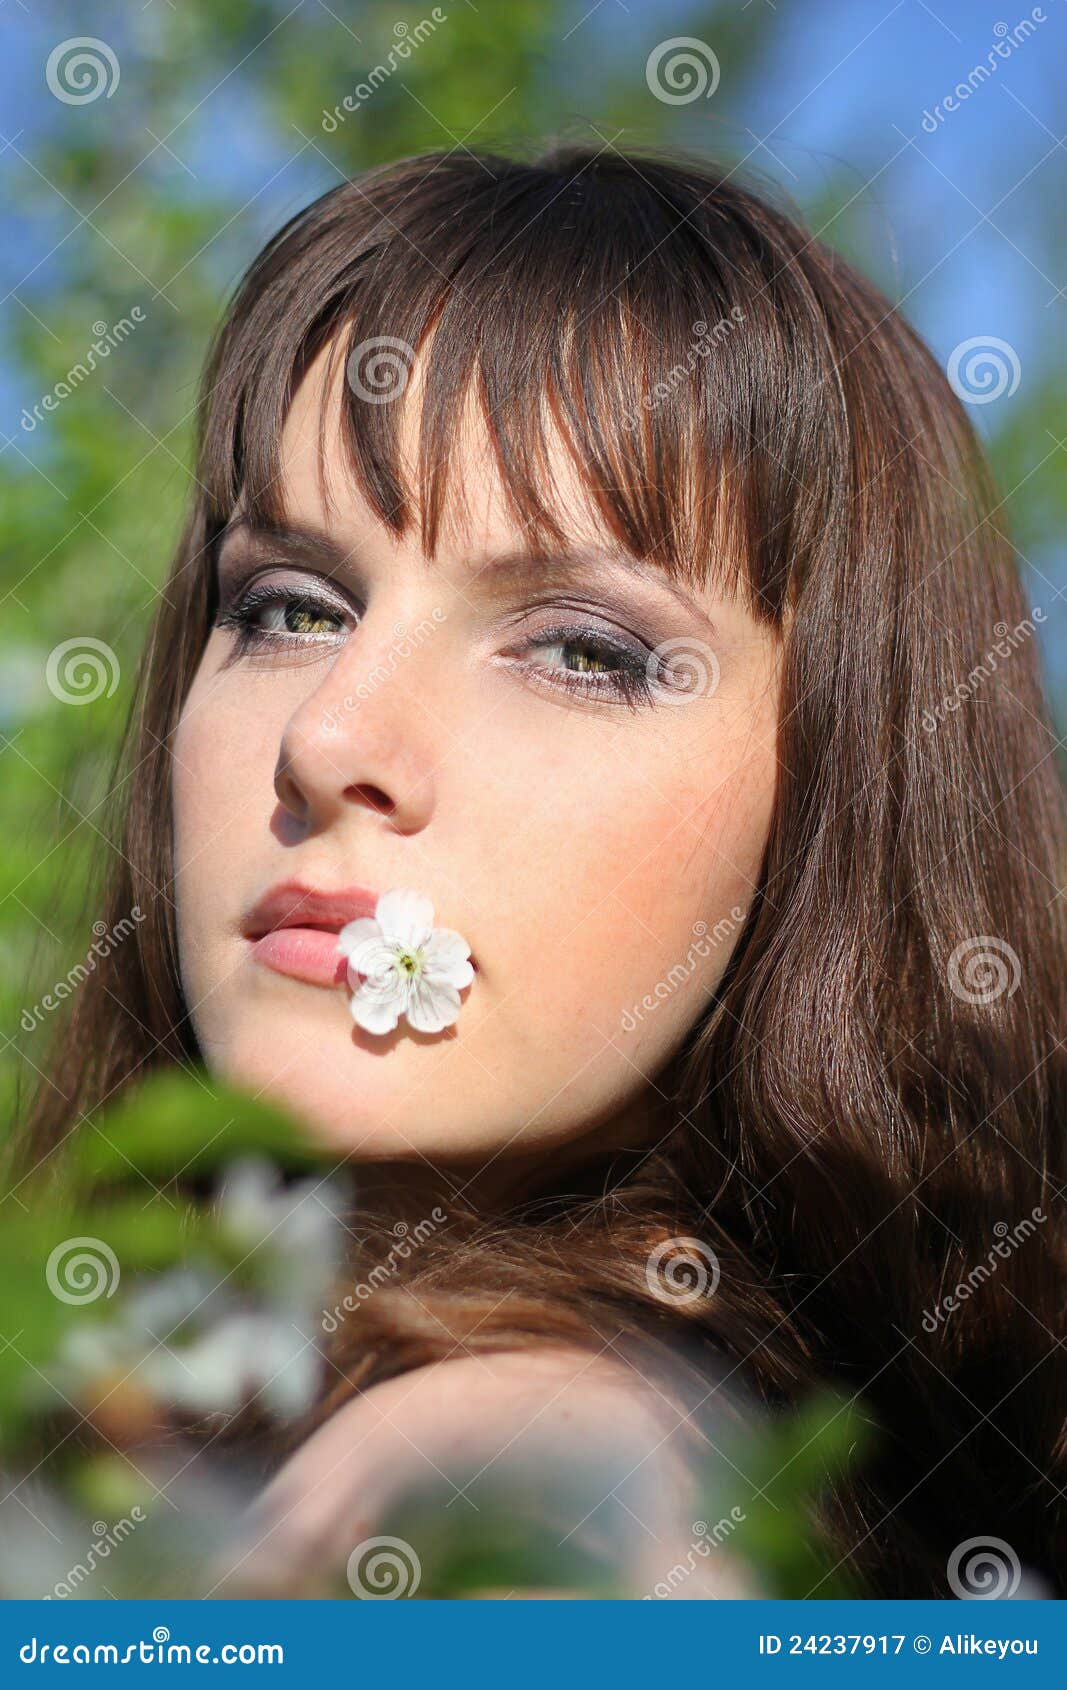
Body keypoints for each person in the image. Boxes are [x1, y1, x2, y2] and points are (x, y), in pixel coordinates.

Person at [13, 142, 1067, 1599]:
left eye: (581, 648)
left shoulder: (515, 1504)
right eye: (291, 607)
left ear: (837, 800)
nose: (330, 737)